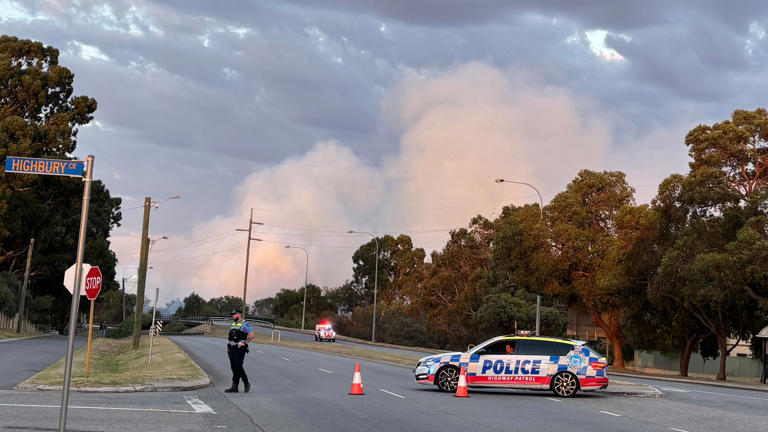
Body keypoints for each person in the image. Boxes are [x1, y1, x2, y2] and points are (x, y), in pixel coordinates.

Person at [225, 309, 255, 393]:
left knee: (238, 366)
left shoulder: (245, 324)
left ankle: (246, 382)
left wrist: (244, 343)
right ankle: (234, 387)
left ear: (239, 315)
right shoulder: (234, 324)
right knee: (233, 368)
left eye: (234, 315)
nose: (232, 316)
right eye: (232, 315)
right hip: (231, 348)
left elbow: (252, 335)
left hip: (240, 349)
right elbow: (230, 336)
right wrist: (228, 345)